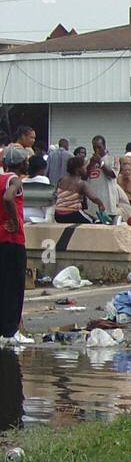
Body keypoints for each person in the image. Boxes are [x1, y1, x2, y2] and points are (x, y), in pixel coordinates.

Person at [0, 147, 31, 344]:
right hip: (13, 239)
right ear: (21, 164)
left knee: (3, 284)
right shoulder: (14, 180)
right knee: (14, 286)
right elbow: (8, 198)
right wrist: (15, 220)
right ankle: (10, 332)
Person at [52, 155, 106, 223]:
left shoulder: (62, 180)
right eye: (84, 166)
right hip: (72, 214)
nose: (86, 168)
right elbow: (94, 198)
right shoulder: (81, 183)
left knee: (85, 215)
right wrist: (101, 204)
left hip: (58, 215)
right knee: (94, 222)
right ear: (78, 170)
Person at [83, 136, 118, 224]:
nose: (97, 150)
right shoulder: (88, 161)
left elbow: (113, 175)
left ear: (104, 146)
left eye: (99, 147)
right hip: (92, 205)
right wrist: (90, 165)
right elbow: (84, 177)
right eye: (94, 147)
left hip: (108, 202)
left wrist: (101, 163)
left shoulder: (113, 158)